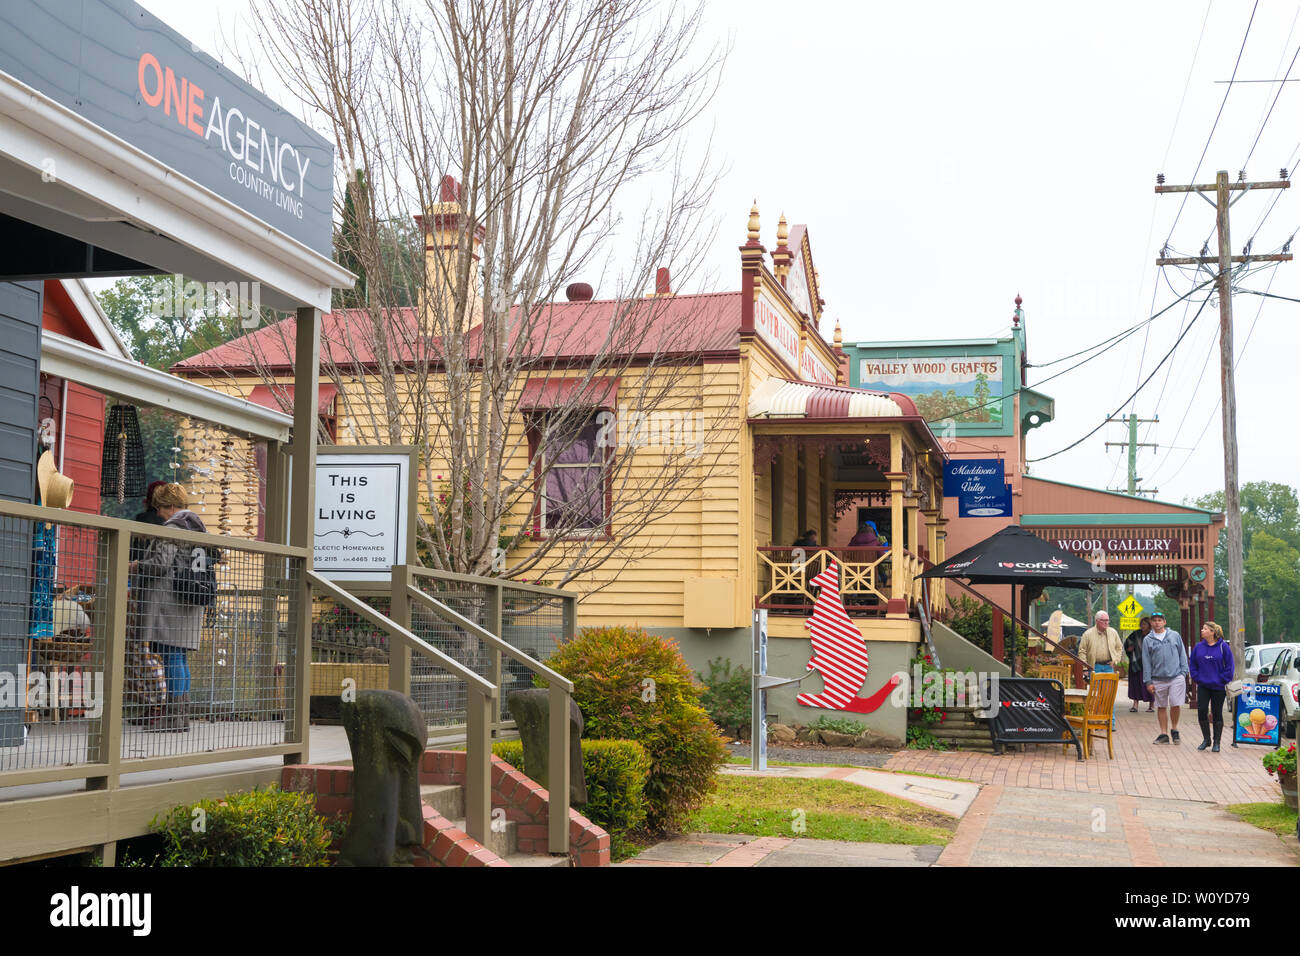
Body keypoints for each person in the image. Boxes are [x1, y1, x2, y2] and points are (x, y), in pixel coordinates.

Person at [130, 483, 209, 733]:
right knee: (180, 658)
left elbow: (161, 564)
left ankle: (173, 717)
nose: (159, 513)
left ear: (172, 507)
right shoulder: (195, 527)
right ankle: (180, 716)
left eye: (161, 507)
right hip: (187, 604)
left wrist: (137, 566)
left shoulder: (172, 528)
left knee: (172, 657)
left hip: (169, 605)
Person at [1143, 610, 1190, 745]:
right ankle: (1163, 734)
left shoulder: (1174, 635)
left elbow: (1182, 654)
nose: (1157, 622)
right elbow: (1146, 661)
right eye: (1154, 620)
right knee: (1161, 706)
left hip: (1176, 676)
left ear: (1164, 622)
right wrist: (1148, 682)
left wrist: (1183, 672)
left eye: (1159, 620)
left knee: (1175, 703)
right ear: (1151, 623)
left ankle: (1174, 729)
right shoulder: (1148, 640)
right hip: (1157, 678)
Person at [1189, 621, 1234, 752]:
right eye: (1202, 628)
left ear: (1212, 632)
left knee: (1217, 713)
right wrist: (1197, 678)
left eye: (1205, 629)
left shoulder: (1223, 647)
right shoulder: (1198, 647)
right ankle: (1206, 739)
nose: (1202, 631)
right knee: (1202, 710)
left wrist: (1222, 680)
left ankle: (1217, 742)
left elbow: (1230, 666)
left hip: (1218, 687)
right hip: (1203, 685)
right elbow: (1193, 664)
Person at [1080, 611, 1124, 730]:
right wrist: (1084, 668)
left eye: (1107, 620)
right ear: (1097, 621)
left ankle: (1110, 722)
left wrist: (1115, 659)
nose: (1107, 623)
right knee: (1096, 696)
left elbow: (1119, 647)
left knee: (1109, 695)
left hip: (1109, 667)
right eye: (1104, 620)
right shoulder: (1088, 634)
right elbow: (1082, 651)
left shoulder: (1113, 632)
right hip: (1094, 667)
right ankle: (1096, 721)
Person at [1124, 617, 1155, 712]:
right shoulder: (1136, 634)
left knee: (1149, 684)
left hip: (1149, 665)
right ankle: (1135, 705)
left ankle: (1151, 705)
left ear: (1149, 625)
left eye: (1145, 624)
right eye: (1142, 624)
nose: (1143, 626)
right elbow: (1127, 643)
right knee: (1135, 684)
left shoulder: (1152, 635)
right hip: (1135, 664)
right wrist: (1129, 648)